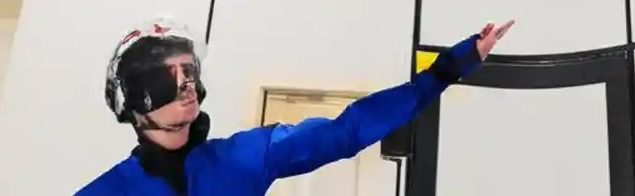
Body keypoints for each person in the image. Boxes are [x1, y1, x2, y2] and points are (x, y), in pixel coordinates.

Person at [77, 17, 514, 195]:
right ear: (134, 102)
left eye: (188, 70)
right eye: (164, 78)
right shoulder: (107, 193)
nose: (186, 85)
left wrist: (445, 70)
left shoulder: (244, 157)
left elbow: (348, 130)